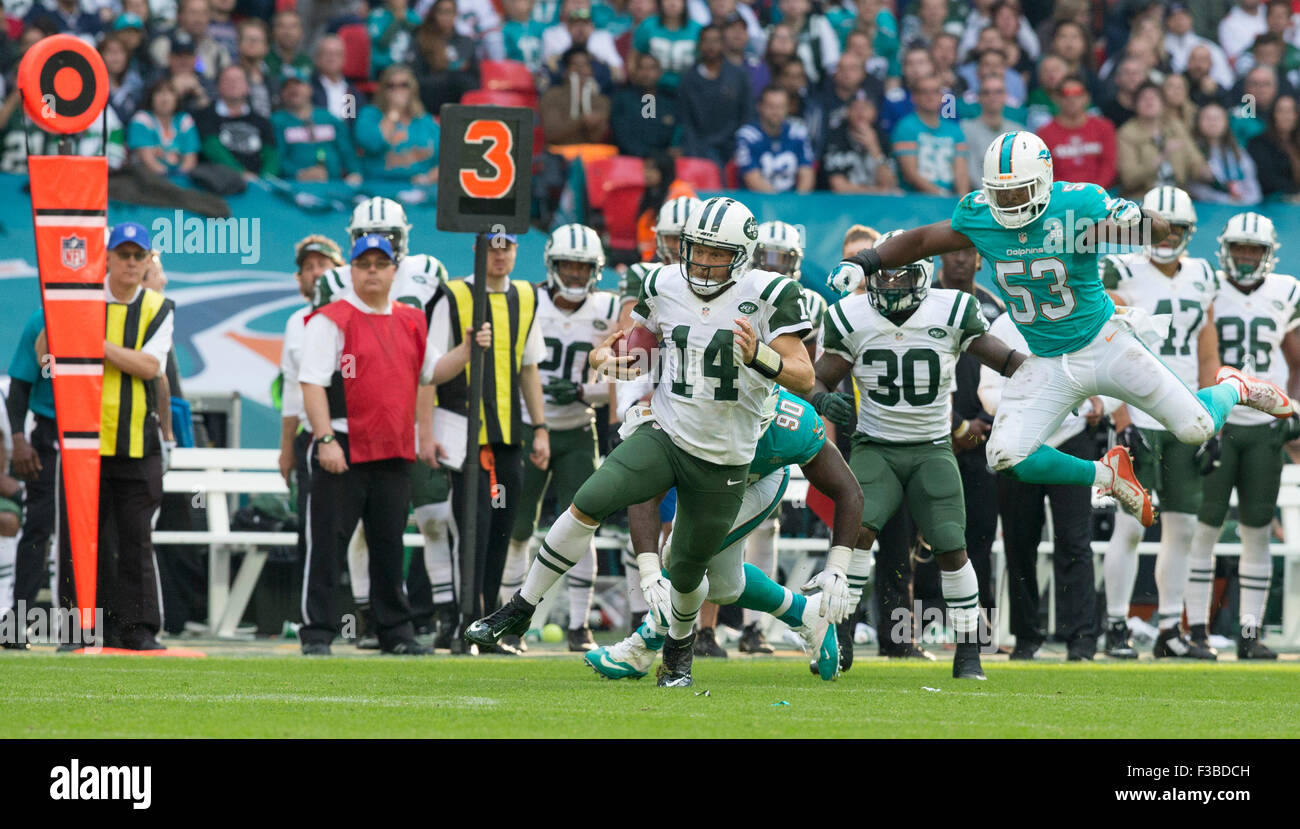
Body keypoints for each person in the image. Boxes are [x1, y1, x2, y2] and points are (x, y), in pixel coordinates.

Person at [827, 130, 1293, 532]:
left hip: (1104, 343)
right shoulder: (981, 215)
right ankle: (1106, 475)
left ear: (1045, 182)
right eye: (1000, 193)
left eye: (1018, 192)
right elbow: (925, 239)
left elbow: (1156, 233)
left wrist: (1136, 220)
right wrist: (865, 261)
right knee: (1004, 456)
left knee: (1196, 427)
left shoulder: (1078, 203)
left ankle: (1237, 385)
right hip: (1047, 360)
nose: (1008, 203)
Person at [466, 196, 819, 688]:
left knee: (688, 568)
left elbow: (805, 377)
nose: (702, 261)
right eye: (697, 249)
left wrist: (760, 354)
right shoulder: (663, 281)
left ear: (741, 254)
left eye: (717, 253)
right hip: (668, 432)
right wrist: (612, 359)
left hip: (726, 456)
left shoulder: (771, 293)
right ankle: (519, 610)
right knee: (589, 500)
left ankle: (677, 657)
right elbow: (640, 347)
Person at [812, 228, 1024, 679]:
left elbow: (1006, 361)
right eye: (882, 277)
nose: (889, 285)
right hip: (876, 447)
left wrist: (1051, 376)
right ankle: (841, 635)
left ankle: (969, 650)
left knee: (951, 546)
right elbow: (818, 378)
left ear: (923, 275)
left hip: (932, 447)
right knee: (856, 539)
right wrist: (820, 398)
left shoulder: (953, 310)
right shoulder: (850, 316)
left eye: (899, 276)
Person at [588, 386, 859, 680]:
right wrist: (649, 571)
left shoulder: (794, 422)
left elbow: (850, 493)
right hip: (710, 481)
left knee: (680, 556)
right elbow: (645, 493)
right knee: (724, 586)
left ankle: (641, 647)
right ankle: (804, 612)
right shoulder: (688, 412)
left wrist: (838, 568)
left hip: (758, 483)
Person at [297, 233, 475, 656]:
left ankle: (395, 630)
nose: (373, 271)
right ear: (352, 271)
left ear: (395, 270)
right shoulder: (331, 319)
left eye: (380, 263)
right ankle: (318, 631)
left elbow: (431, 372)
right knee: (327, 542)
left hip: (394, 449)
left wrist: (467, 350)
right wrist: (324, 439)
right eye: (364, 264)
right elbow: (312, 384)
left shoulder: (412, 319)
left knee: (389, 545)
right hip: (342, 441)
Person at [1100, 186, 1221, 660]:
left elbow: (1207, 351)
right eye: (1159, 227)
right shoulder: (1121, 269)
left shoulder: (1202, 274)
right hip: (1138, 408)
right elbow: (1104, 344)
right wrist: (1121, 416)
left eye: (1178, 229)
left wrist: (1212, 416)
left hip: (1185, 412)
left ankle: (1171, 627)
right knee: (1130, 527)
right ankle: (1115, 624)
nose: (1167, 237)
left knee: (1183, 526)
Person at [427, 232, 551, 653]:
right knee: (471, 527)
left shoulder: (526, 297)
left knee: (501, 528)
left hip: (506, 434)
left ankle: (488, 628)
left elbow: (528, 368)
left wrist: (540, 427)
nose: (499, 255)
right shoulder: (454, 294)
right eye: (492, 247)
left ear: (516, 251)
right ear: (478, 252)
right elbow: (431, 371)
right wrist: (465, 349)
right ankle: (463, 623)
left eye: (507, 246)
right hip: (463, 433)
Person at [54, 223, 175, 651]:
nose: (129, 263)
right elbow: (44, 350)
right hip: (83, 440)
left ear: (147, 262)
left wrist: (97, 346)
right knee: (81, 536)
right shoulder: (79, 302)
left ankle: (137, 629)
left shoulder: (159, 307)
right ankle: (78, 629)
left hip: (137, 440)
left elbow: (149, 367)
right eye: (122, 254)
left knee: (135, 537)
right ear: (106, 257)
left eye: (137, 256)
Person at [1185, 212, 1300, 660]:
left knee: (1256, 531)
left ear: (1269, 253)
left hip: (1263, 431)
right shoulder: (1207, 285)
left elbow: (1296, 363)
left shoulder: (1286, 292)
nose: (1247, 257)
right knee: (1204, 529)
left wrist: (1292, 411)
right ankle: (1196, 629)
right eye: (1240, 249)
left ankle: (1249, 633)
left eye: (1255, 249)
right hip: (1219, 423)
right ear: (1225, 250)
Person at [499, 225, 619, 652]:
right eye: (567, 264)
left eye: (582, 266)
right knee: (518, 528)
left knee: (582, 526)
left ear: (596, 269)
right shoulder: (525, 299)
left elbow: (627, 378)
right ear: (551, 265)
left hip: (576, 429)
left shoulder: (609, 308)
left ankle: (578, 624)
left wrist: (586, 392)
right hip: (529, 429)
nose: (573, 273)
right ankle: (510, 624)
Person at [978, 308, 1107, 661]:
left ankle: (1082, 637)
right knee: (1020, 541)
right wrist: (1029, 410)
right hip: (1021, 442)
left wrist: (1100, 402)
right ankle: (1026, 635)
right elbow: (987, 390)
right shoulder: (1004, 325)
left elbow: (1106, 375)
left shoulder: (1079, 319)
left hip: (1071, 437)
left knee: (1075, 540)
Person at [2, 307, 57, 648]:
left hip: (104, 436)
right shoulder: (42, 319)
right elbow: (20, 385)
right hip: (50, 435)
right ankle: (16, 625)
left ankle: (102, 624)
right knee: (38, 526)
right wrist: (19, 440)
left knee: (103, 531)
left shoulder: (110, 314)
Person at [1115, 82, 1210, 199]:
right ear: (1135, 105)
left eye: (1154, 97)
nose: (1149, 101)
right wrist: (1162, 156)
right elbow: (1129, 179)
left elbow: (1195, 160)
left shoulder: (1175, 126)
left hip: (1177, 197)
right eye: (1143, 98)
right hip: (1142, 199)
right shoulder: (1127, 133)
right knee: (1148, 218)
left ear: (1163, 104)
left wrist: (1208, 173)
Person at [677, 23, 752, 165]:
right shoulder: (689, 78)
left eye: (716, 41)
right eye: (706, 41)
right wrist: (694, 150)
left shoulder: (738, 75)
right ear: (699, 45)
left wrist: (741, 146)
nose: (711, 46)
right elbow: (685, 120)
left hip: (733, 145)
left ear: (724, 44)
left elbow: (747, 113)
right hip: (700, 147)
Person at [354, 64, 439, 184]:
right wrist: (393, 113)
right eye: (391, 86)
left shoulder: (426, 121)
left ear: (413, 89)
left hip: (417, 189)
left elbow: (445, 161)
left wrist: (428, 178)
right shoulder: (369, 115)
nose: (397, 90)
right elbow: (374, 143)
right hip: (377, 185)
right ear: (383, 90)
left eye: (404, 85)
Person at [194, 64, 279, 181]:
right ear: (218, 86)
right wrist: (240, 174)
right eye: (227, 80)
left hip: (260, 185)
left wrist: (266, 178)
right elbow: (212, 149)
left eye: (238, 80)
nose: (232, 84)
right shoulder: (204, 116)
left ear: (247, 87)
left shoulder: (261, 121)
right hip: (221, 184)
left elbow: (271, 155)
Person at [272, 76, 363, 184]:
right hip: (295, 186)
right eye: (287, 87)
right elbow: (276, 157)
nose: (293, 89)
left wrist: (355, 173)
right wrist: (298, 174)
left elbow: (347, 151)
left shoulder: (329, 118)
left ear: (310, 89)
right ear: (282, 95)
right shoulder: (276, 122)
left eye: (298, 84)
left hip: (333, 184)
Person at [891, 74, 970, 196]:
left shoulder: (955, 130)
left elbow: (961, 171)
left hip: (949, 199)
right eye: (924, 92)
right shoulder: (905, 127)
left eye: (935, 92)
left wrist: (962, 201)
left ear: (942, 96)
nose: (930, 97)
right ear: (913, 97)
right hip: (915, 199)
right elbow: (910, 173)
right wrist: (941, 194)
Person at [1037, 76, 1116, 190]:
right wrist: (1069, 194)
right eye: (1065, 94)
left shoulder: (1104, 127)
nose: (1071, 99)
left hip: (1099, 194)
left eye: (1077, 93)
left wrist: (1093, 192)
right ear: (1056, 99)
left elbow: (1109, 167)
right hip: (1061, 196)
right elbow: (1046, 173)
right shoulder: (1044, 133)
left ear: (1087, 97)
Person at [734, 86, 813, 193]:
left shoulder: (798, 133)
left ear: (788, 108)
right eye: (771, 106)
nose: (776, 112)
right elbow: (752, 179)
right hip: (756, 202)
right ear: (759, 106)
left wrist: (798, 202)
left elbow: (807, 174)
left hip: (793, 203)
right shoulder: (748, 136)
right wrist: (778, 204)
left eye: (781, 107)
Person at [412, 0, 480, 116]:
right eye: (441, 12)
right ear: (434, 14)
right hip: (431, 99)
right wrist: (449, 77)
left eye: (449, 12)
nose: (445, 17)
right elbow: (416, 79)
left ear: (456, 14)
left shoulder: (466, 43)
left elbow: (476, 81)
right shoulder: (421, 39)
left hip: (460, 100)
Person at [820, 95, 898, 194]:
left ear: (875, 112)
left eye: (866, 108)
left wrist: (874, 149)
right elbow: (839, 187)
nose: (860, 113)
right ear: (847, 111)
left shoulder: (883, 139)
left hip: (877, 203)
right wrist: (877, 191)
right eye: (855, 108)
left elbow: (889, 183)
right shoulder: (835, 138)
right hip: (843, 203)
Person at [1189, 102, 1262, 205]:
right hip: (1206, 209)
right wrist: (1225, 199)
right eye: (1207, 118)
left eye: (1217, 118)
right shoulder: (1191, 150)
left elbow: (1254, 190)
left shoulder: (1238, 152)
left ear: (1226, 123)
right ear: (1198, 122)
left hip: (1239, 208)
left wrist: (1243, 201)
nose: (1212, 122)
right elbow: (1191, 187)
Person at [127, 78, 200, 179]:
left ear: (177, 98)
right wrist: (169, 178)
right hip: (149, 179)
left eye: (170, 92)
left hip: (181, 178)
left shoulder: (184, 120)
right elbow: (148, 161)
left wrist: (180, 176)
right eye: (159, 92)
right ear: (151, 97)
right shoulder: (142, 120)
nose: (165, 98)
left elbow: (190, 159)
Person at [611, 52, 680, 158]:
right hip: (630, 160)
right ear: (636, 72)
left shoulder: (670, 102)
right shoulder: (622, 99)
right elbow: (622, 136)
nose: (646, 73)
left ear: (659, 73)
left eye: (651, 68)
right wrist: (649, 155)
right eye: (642, 68)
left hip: (662, 163)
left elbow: (675, 136)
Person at [961, 72, 1025, 184]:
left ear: (1006, 96)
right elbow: (969, 170)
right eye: (986, 93)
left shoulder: (1018, 132)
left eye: (998, 92)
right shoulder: (965, 128)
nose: (992, 97)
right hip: (979, 195)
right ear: (979, 97)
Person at [539, 46, 611, 145]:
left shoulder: (601, 101)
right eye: (575, 65)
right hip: (557, 156)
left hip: (591, 156)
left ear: (591, 71)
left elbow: (597, 139)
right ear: (565, 71)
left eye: (585, 65)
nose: (580, 70)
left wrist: (596, 124)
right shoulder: (551, 96)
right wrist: (582, 120)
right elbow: (551, 133)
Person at [632, 0, 701, 91]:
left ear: (685, 3)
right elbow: (634, 57)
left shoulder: (697, 29)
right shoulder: (647, 26)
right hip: (653, 90)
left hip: (688, 90)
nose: (672, 3)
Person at [1247, 94, 1300, 199]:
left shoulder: (1296, 142)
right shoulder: (1259, 143)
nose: (1286, 116)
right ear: (1273, 114)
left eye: (1290, 111)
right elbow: (1267, 179)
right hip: (1273, 202)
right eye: (1281, 111)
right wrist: (1294, 193)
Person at [311, 35, 366, 122]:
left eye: (337, 54)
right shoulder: (308, 88)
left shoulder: (352, 92)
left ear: (344, 58)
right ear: (318, 58)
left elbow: (351, 122)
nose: (332, 58)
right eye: (328, 54)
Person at [368, 0, 422, 76]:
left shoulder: (413, 15)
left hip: (410, 67)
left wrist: (404, 20)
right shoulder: (377, 15)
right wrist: (397, 20)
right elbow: (383, 43)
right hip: (383, 68)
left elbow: (422, 39)